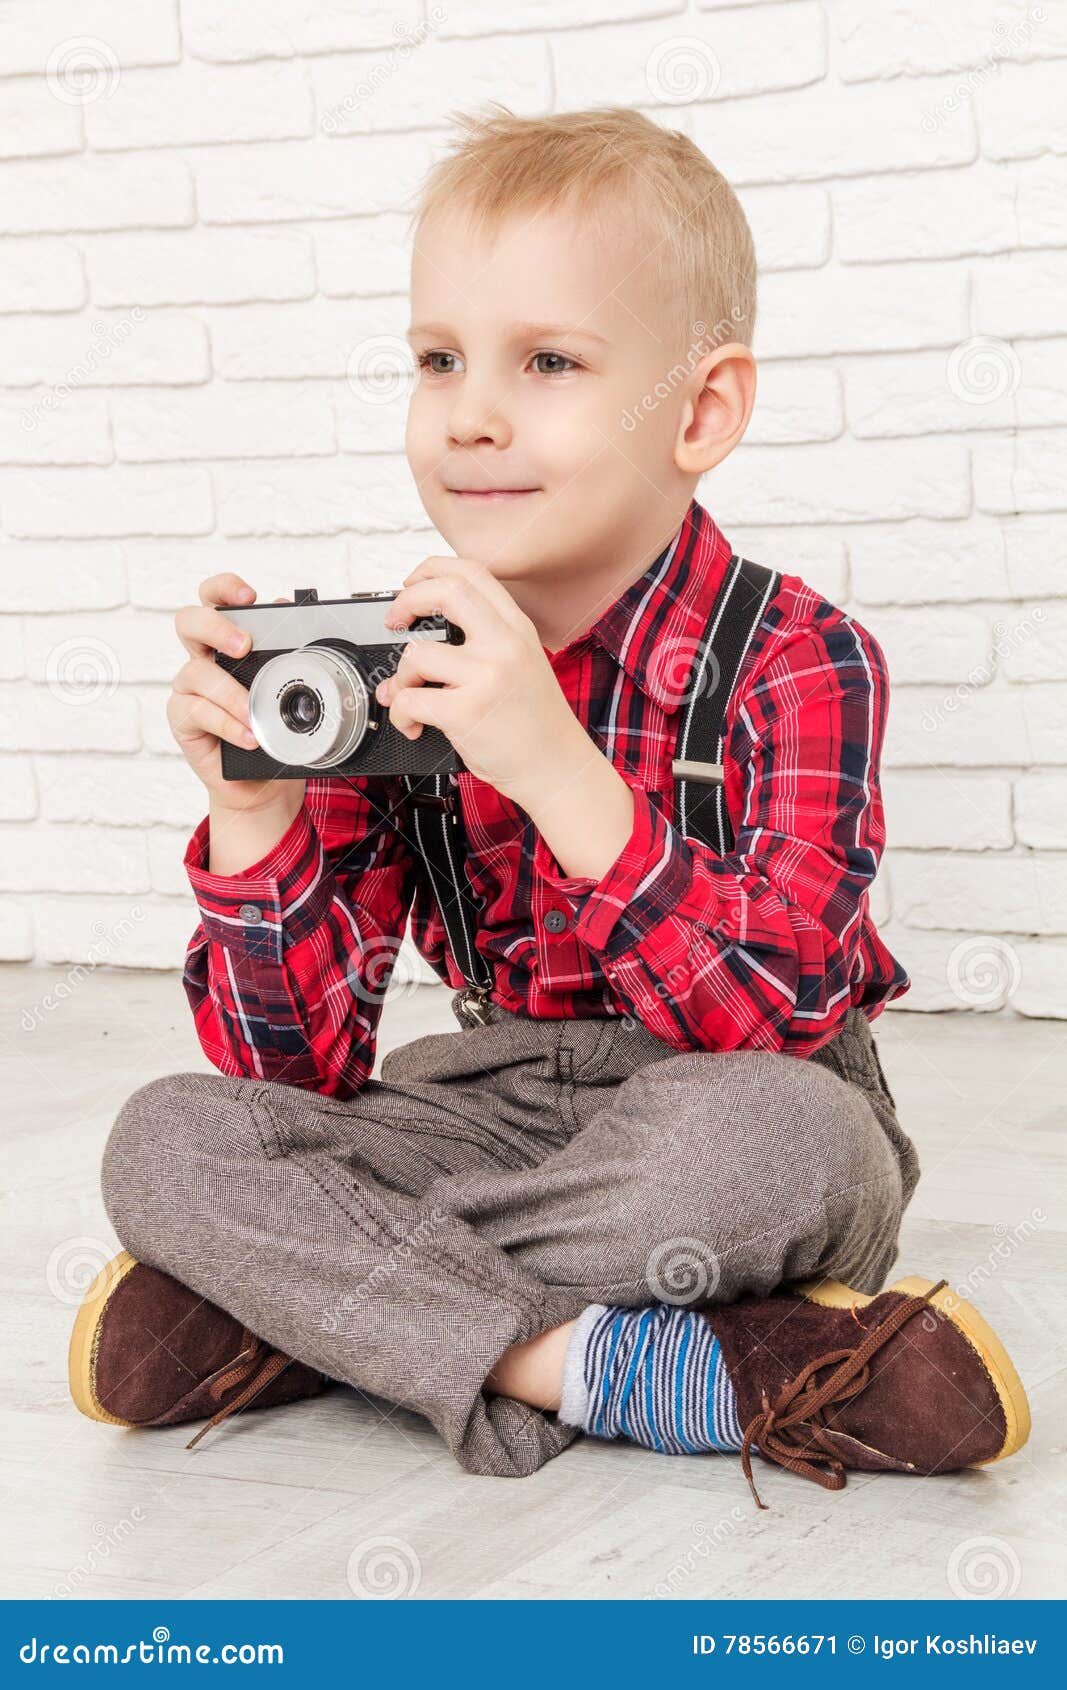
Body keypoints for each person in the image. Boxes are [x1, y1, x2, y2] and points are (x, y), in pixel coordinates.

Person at [68, 106, 1029, 1505]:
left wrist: (556, 767)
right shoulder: (395, 666)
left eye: (550, 363)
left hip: (728, 1105)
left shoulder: (797, 656)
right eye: (439, 359)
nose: (472, 413)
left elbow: (784, 1009)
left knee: (785, 1150)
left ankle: (311, 1311)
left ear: (696, 412)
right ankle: (628, 1366)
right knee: (166, 1137)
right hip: (489, 1099)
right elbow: (295, 1076)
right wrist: (253, 821)